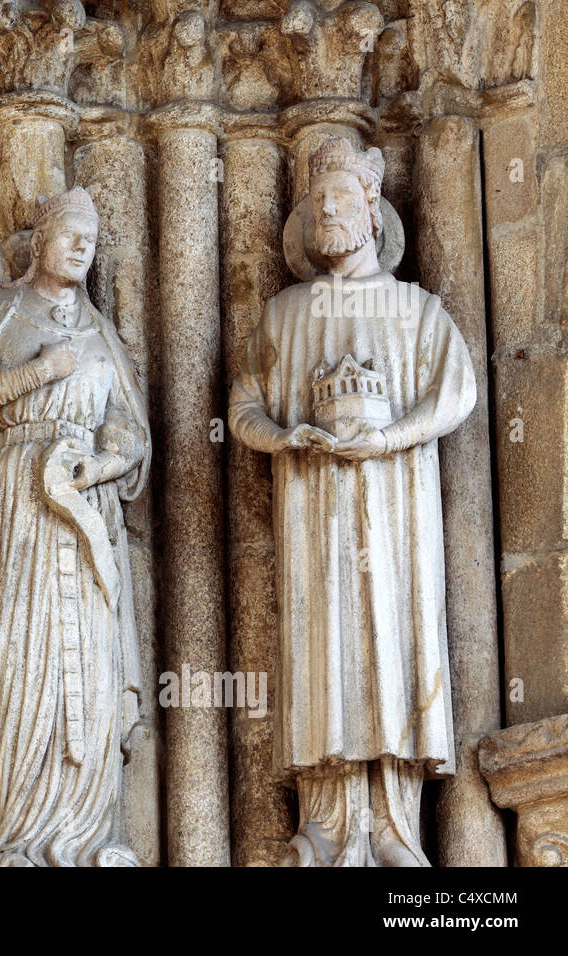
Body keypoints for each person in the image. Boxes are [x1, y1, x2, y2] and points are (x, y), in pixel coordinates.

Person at [229, 137, 476, 866]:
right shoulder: (284, 315)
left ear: (373, 209)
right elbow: (242, 404)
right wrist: (284, 437)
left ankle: (396, 828)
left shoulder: (416, 309)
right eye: (317, 203)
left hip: (396, 507)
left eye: (340, 198)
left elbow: (457, 392)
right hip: (314, 510)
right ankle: (327, 823)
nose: (326, 211)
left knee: (394, 638)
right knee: (320, 639)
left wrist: (394, 436)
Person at [0, 186, 149, 866]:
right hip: (18, 495)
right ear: (38, 242)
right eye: (70, 233)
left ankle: (87, 835)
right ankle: (23, 832)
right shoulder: (2, 312)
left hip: (83, 502)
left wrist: (104, 462)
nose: (83, 246)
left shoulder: (100, 333)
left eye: (92, 237)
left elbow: (130, 427)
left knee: (87, 656)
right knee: (22, 655)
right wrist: (37, 372)